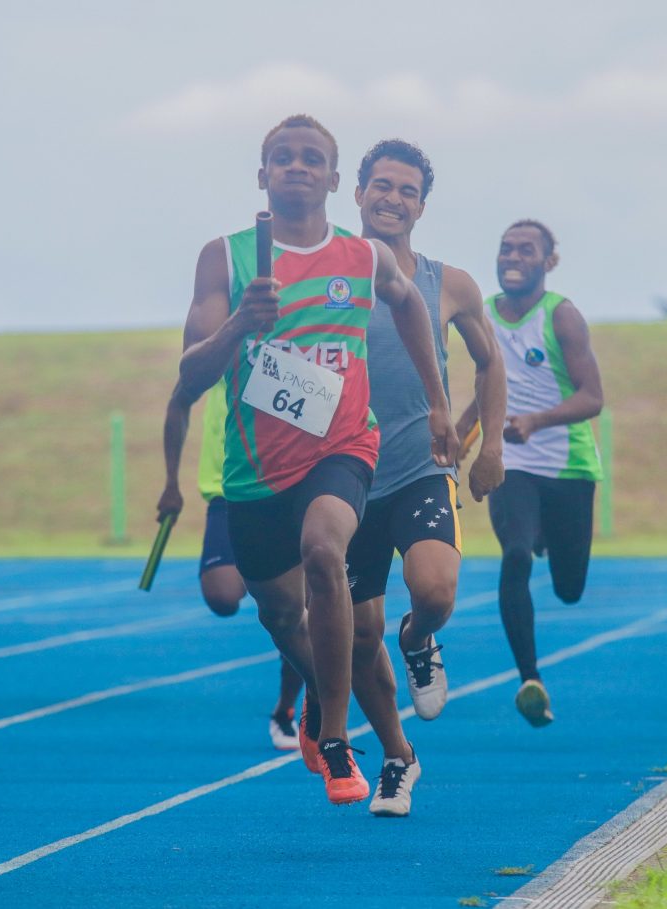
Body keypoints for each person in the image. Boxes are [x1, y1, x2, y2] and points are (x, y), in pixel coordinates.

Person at [177, 115, 457, 806]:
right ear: (263, 174)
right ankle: (319, 710)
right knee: (280, 613)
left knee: (325, 551)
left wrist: (439, 401)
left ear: (333, 180)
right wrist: (241, 322)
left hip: (341, 448)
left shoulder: (362, 257)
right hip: (255, 470)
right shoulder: (227, 256)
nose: (296, 167)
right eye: (282, 157)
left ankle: (334, 737)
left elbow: (411, 308)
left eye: (311, 159)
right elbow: (190, 375)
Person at [344, 139, 506, 816]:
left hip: (419, 468)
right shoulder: (330, 273)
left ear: (422, 204)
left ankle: (418, 639)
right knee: (354, 634)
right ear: (358, 194)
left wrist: (488, 441)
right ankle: (396, 757)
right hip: (342, 475)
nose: (392, 198)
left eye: (406, 190)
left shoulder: (451, 283)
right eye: (381, 185)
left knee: (435, 591)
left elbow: (490, 361)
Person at [459, 220, 603, 728]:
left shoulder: (561, 317)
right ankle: (529, 679)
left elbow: (593, 398)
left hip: (567, 466)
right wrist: (460, 438)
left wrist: (537, 421)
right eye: (505, 248)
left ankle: (545, 534)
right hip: (511, 462)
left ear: (548, 261)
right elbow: (485, 386)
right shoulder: (482, 316)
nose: (513, 257)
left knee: (568, 588)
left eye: (526, 249)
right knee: (516, 554)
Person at [155, 377, 304, 750]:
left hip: (289, 489)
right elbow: (180, 399)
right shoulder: (224, 352)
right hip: (229, 490)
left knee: (299, 611)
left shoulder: (297, 348)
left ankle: (288, 710)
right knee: (222, 596)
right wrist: (171, 482)